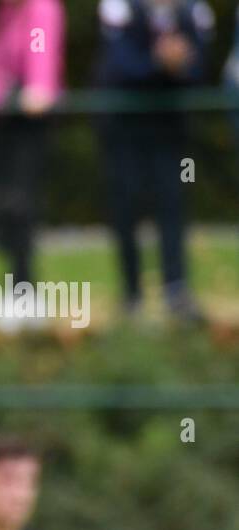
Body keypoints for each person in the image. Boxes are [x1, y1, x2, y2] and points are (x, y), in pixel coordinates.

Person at [94, 0, 213, 325]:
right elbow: (118, 67)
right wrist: (161, 63)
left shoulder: (193, 12)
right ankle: (131, 295)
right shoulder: (119, 8)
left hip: (173, 133)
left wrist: (178, 64)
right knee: (125, 207)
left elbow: (199, 70)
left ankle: (177, 291)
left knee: (174, 202)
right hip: (124, 131)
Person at [0, 0, 65, 306]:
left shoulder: (39, 7)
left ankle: (26, 290)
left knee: (22, 203)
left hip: (30, 119)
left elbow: (42, 48)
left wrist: (39, 87)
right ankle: (16, 286)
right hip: (1, 118)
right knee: (2, 206)